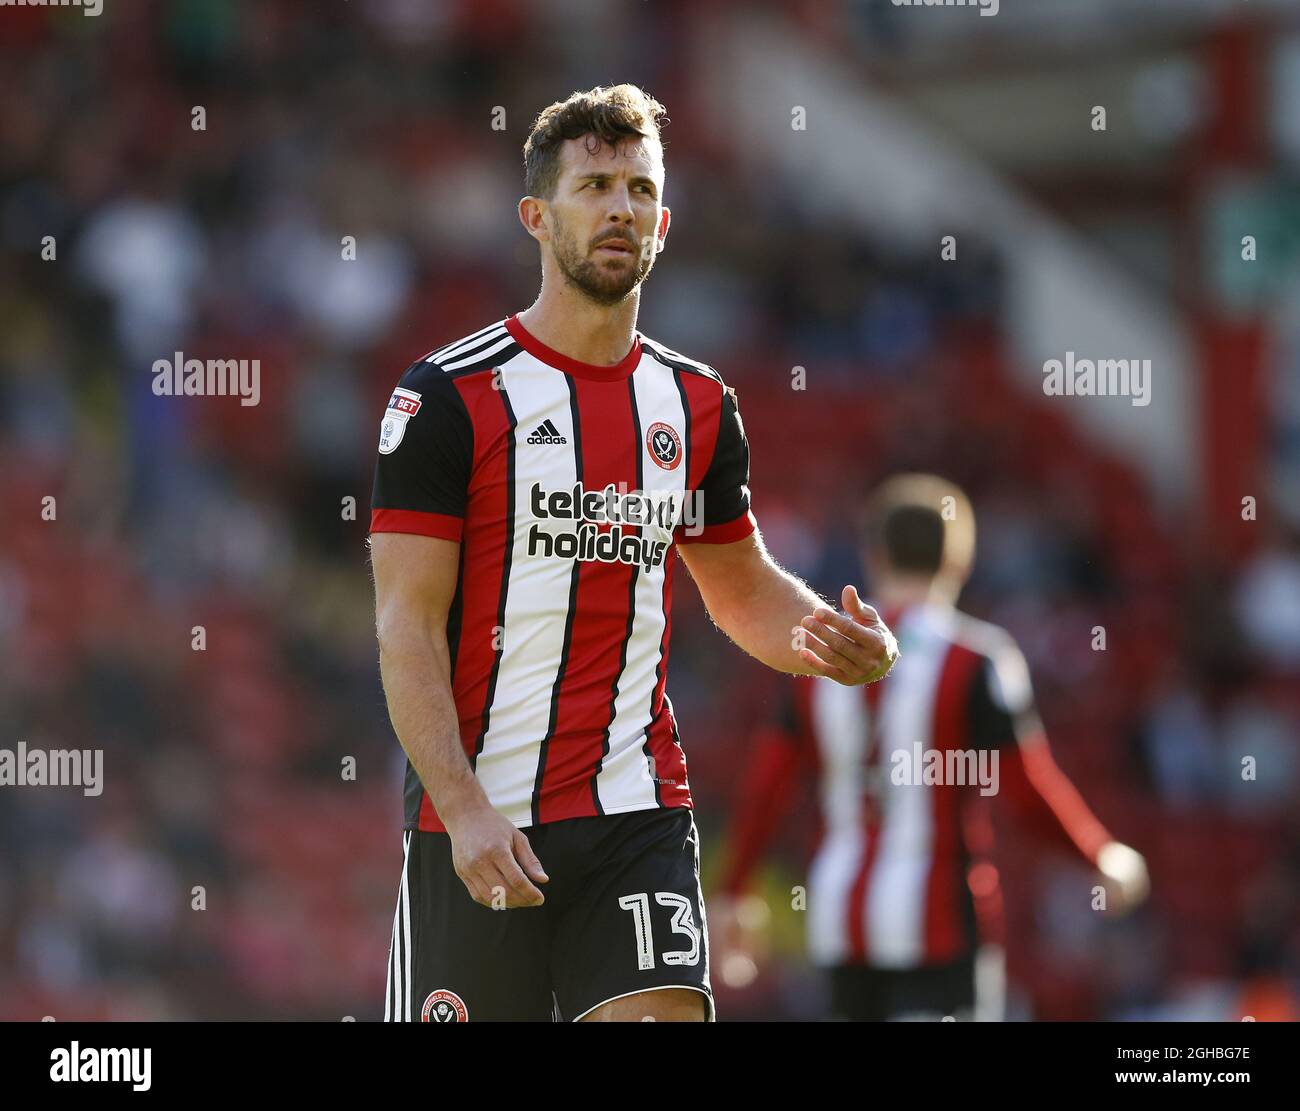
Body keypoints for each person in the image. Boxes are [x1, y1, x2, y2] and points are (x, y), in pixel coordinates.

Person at [367, 84, 898, 1022]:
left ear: (664, 221)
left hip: (634, 811)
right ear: (537, 216)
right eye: (596, 185)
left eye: (641, 189)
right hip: (477, 821)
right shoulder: (447, 396)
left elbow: (740, 591)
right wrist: (462, 807)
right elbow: (405, 622)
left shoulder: (696, 404)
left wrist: (825, 635)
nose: (621, 207)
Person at [714, 473, 1149, 1020]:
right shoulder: (980, 657)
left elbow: (767, 785)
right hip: (942, 920)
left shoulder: (819, 653)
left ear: (873, 554)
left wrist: (735, 890)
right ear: (960, 562)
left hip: (841, 918)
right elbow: (1025, 789)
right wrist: (1099, 854)